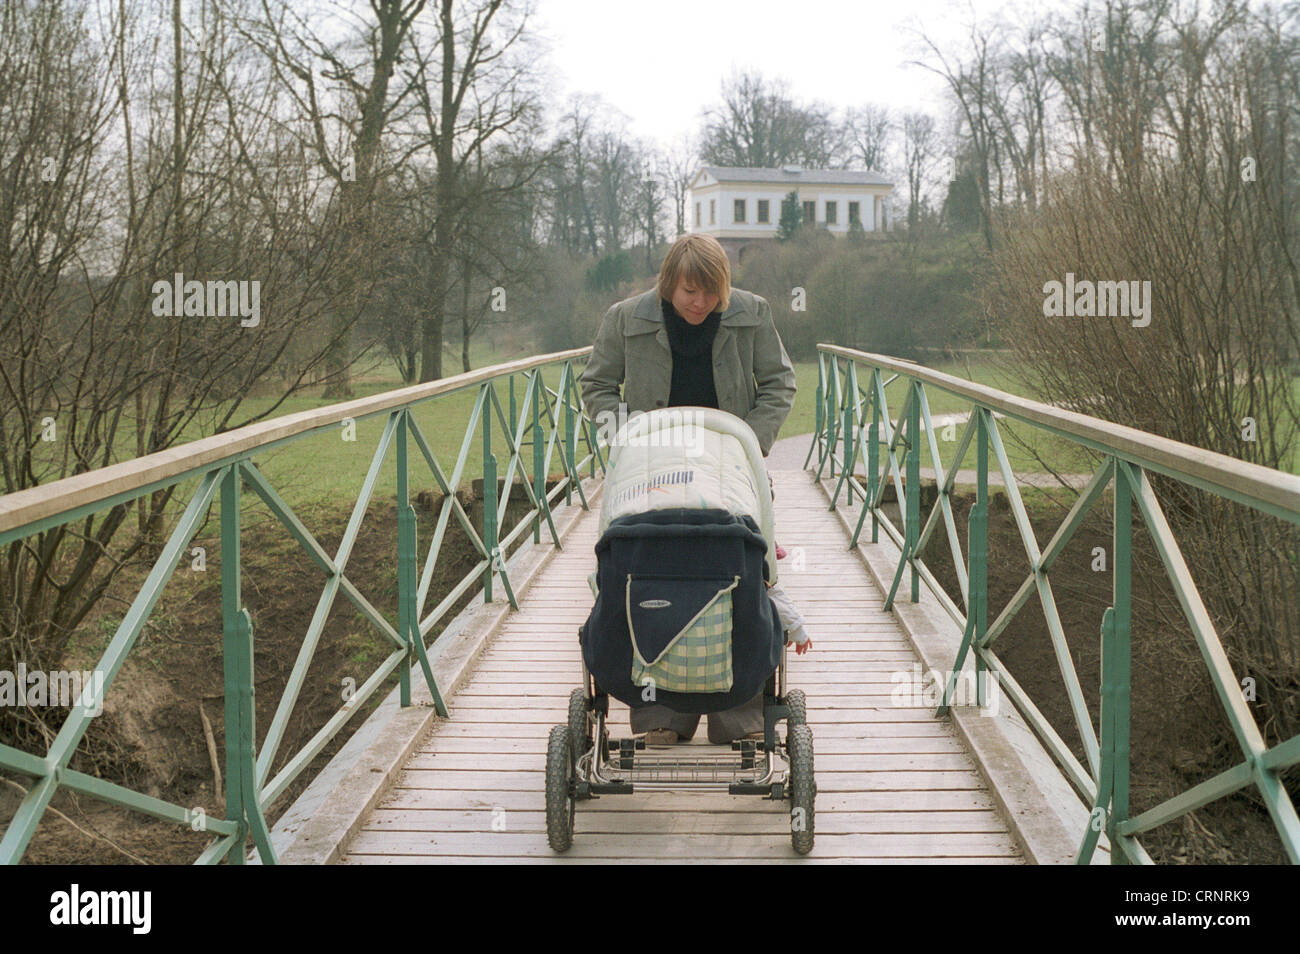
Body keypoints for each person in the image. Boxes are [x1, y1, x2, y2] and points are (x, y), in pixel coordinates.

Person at [580, 233, 810, 746]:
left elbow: (779, 382)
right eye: (688, 292)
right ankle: (660, 714)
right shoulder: (625, 318)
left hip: (730, 465)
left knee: (739, 568)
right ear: (668, 285)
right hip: (651, 467)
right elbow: (595, 385)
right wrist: (625, 442)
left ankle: (740, 716)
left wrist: (751, 443)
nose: (700, 303)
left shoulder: (752, 313)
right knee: (651, 566)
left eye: (711, 293)